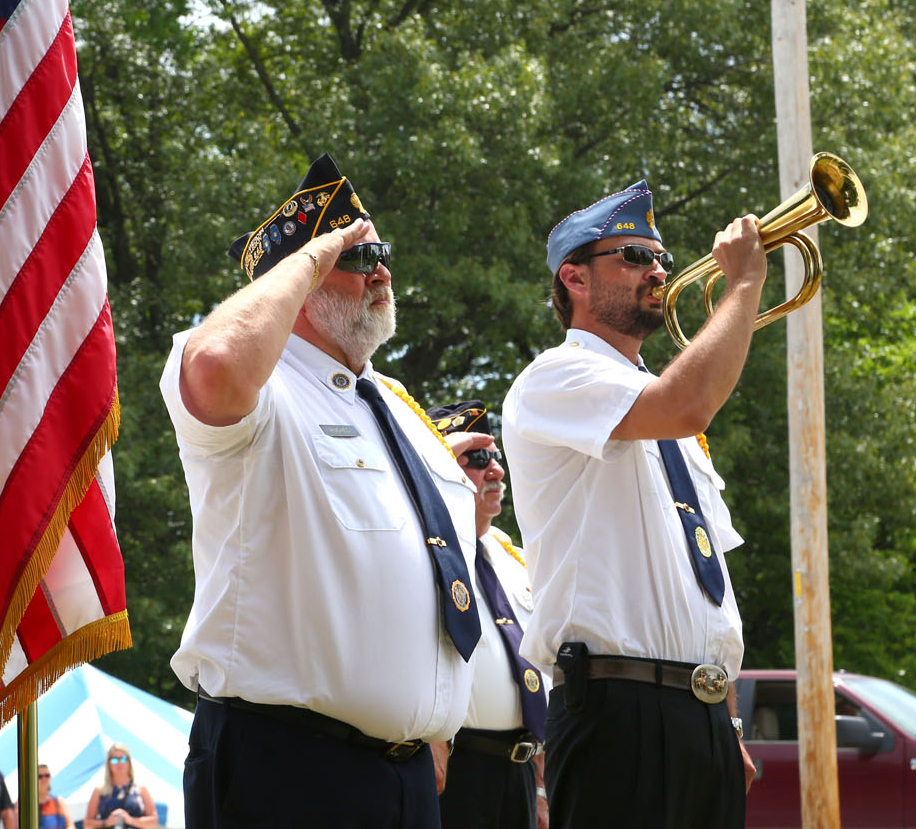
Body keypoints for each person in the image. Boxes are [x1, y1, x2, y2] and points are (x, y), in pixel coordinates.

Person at [162, 154, 489, 829]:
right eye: (355, 256)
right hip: (288, 767)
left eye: (380, 252)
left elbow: (434, 566)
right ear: (298, 280)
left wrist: (431, 724)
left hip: (405, 778)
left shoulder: (396, 405)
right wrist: (316, 252)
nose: (380, 271)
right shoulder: (265, 388)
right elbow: (220, 364)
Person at [500, 180, 759, 828]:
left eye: (660, 257)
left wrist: (723, 715)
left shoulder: (652, 397)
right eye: (634, 257)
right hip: (617, 706)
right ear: (575, 279)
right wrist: (745, 286)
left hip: (699, 708)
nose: (660, 271)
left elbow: (701, 578)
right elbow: (687, 403)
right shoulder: (556, 376)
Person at [426, 401, 549, 829]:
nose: (495, 471)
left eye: (495, 457)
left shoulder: (511, 555)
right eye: (477, 458)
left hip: (519, 771)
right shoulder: (428, 552)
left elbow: (538, 669)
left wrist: (538, 784)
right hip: (457, 768)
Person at [84, 744, 157, 829]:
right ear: (108, 763)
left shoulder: (141, 789)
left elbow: (153, 822)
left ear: (129, 761)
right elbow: (87, 824)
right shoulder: (99, 790)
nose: (119, 763)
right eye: (114, 760)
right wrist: (106, 822)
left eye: (123, 759)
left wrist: (130, 820)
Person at [37, 765, 71, 829]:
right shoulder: (25, 803)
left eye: (47, 775)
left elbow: (70, 825)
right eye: (40, 776)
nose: (44, 779)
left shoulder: (59, 801)